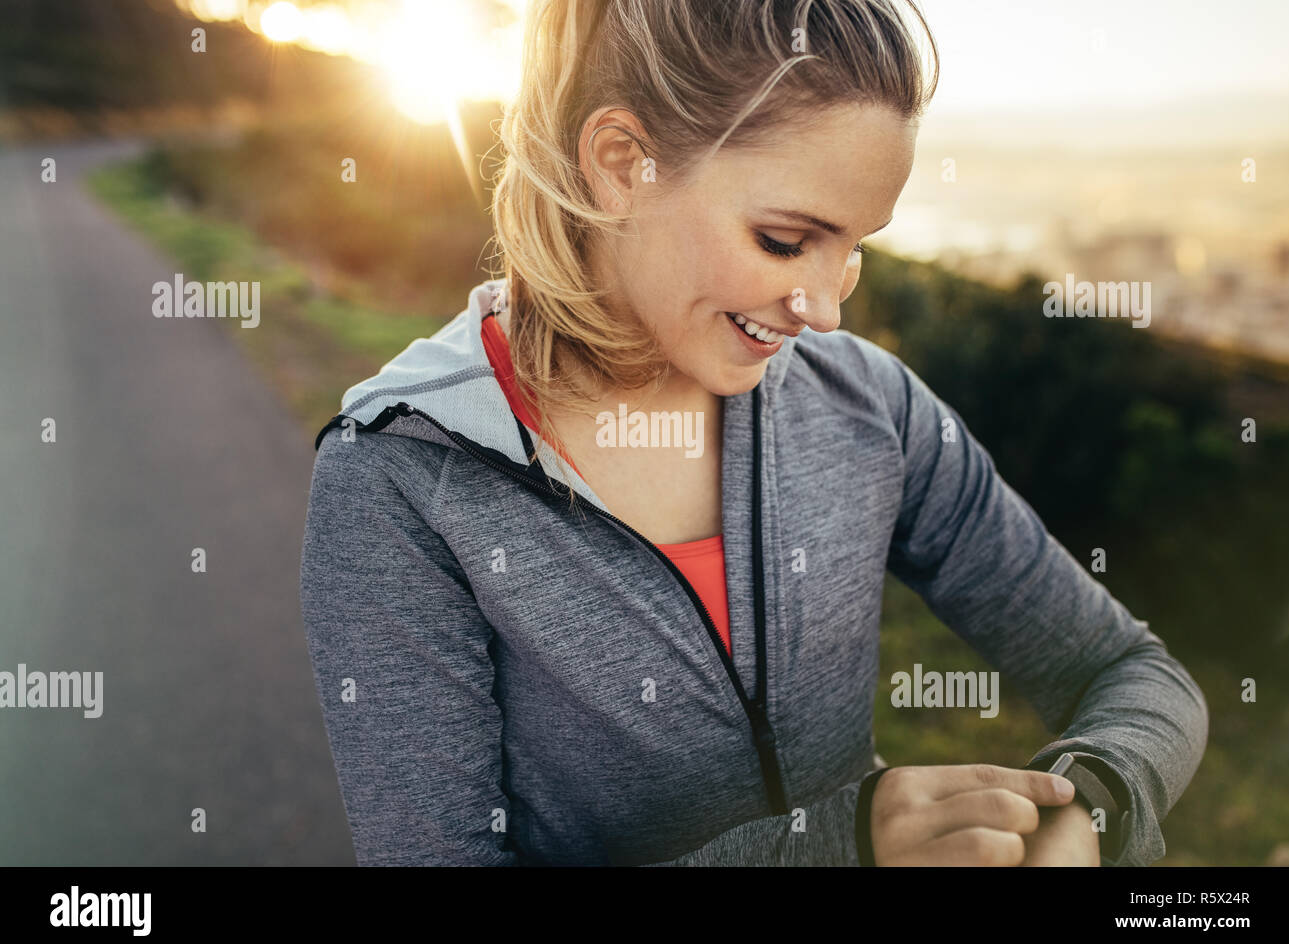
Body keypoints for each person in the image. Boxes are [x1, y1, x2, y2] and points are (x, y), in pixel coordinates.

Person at [299, 0, 1207, 866]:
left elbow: (1130, 670)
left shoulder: (869, 403)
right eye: (783, 240)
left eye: (855, 248)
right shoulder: (396, 476)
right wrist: (836, 849)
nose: (822, 311)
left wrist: (1089, 803)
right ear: (621, 164)